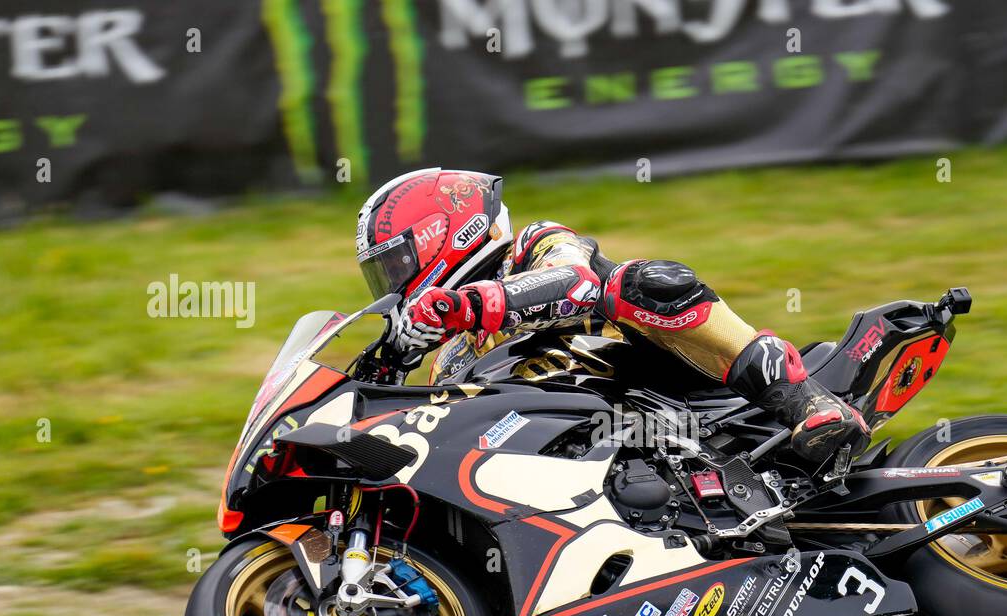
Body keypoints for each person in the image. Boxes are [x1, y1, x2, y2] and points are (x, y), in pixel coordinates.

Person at [355, 167, 866, 464]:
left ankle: (806, 402)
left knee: (642, 282)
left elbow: (574, 281)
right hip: (586, 442)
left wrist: (469, 306)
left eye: (396, 264)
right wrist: (391, 358)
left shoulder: (534, 245)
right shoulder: (450, 353)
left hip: (681, 393)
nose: (395, 282)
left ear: (445, 232)